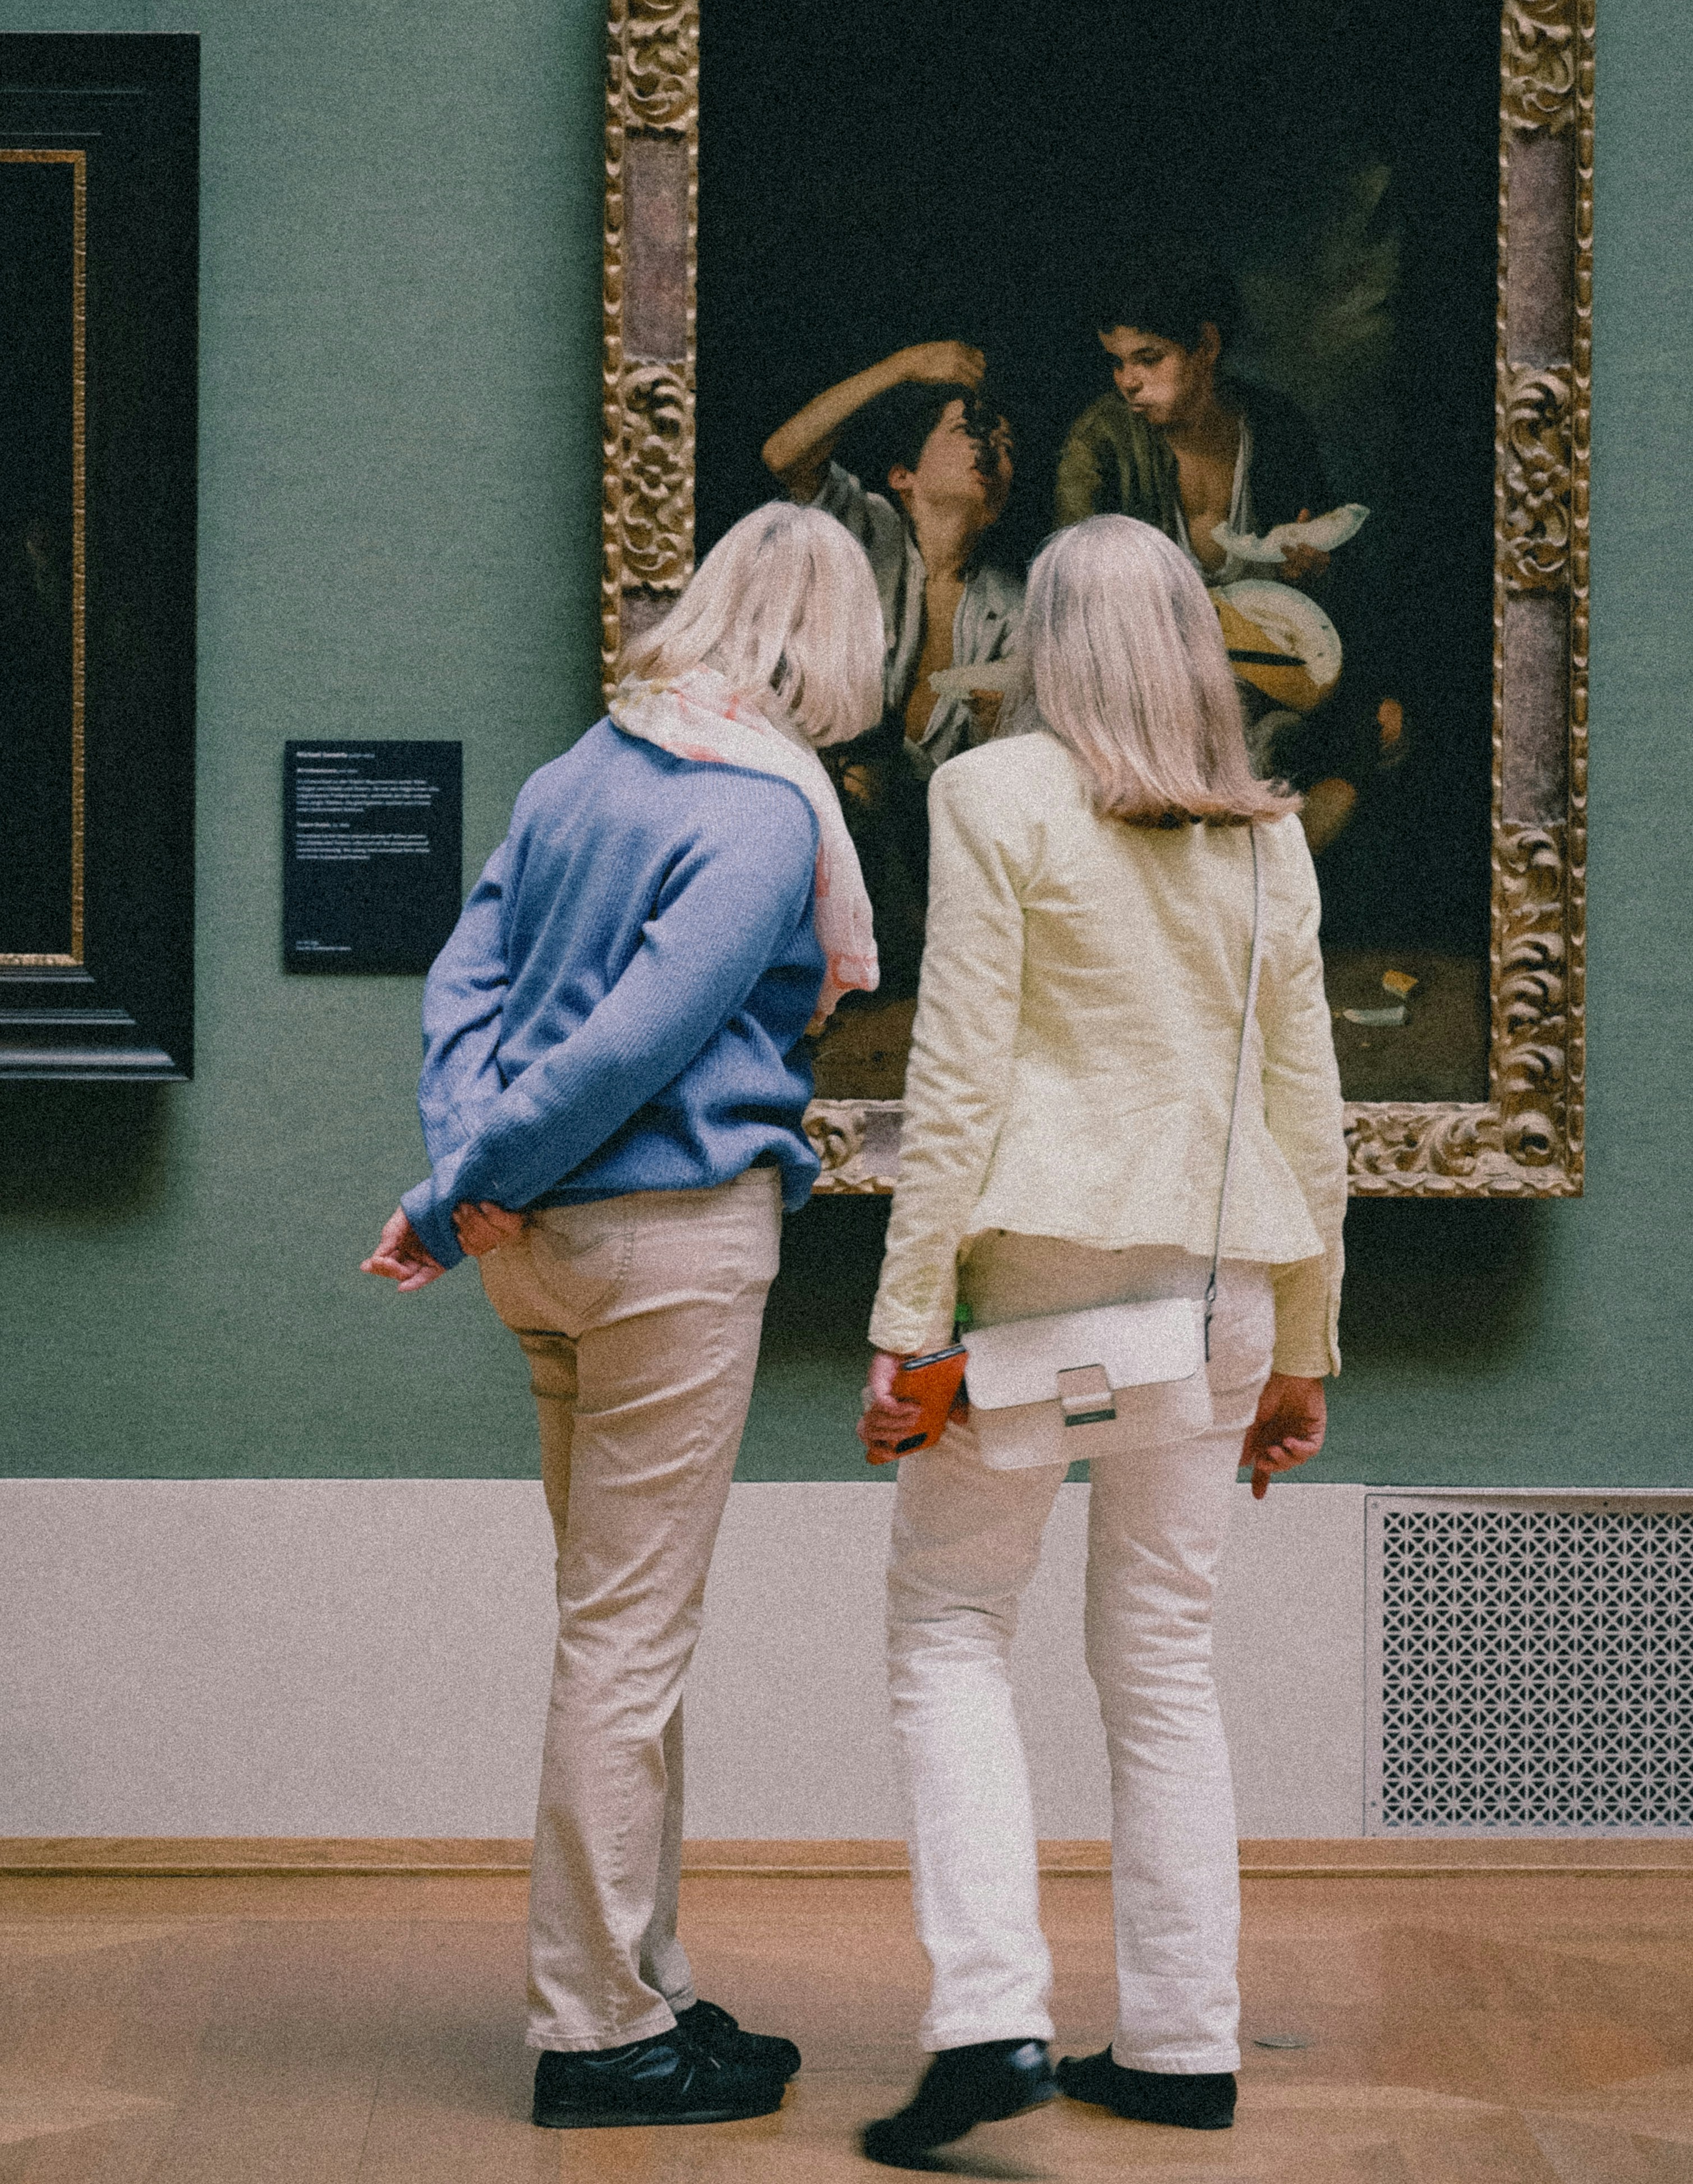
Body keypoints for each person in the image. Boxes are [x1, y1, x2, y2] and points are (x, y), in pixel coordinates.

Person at [361, 501, 886, 2132]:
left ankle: (643, 1981)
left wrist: (472, 1168)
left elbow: (470, 982)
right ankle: (599, 2029)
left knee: (616, 1623)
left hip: (546, 1244)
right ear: (832, 636)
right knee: (627, 1636)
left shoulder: (585, 766)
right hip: (664, 1242)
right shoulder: (755, 811)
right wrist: (465, 1189)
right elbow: (636, 1048)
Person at [855, 515, 1347, 2168]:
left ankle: (991, 2012)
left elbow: (957, 1085)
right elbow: (1309, 1112)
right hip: (1215, 1297)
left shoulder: (992, 796)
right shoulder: (1269, 838)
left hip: (1045, 1292)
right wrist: (1307, 1344)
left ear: (1049, 643)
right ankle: (1183, 2043)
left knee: (945, 1634)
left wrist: (903, 1324)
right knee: (1160, 1668)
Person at [1055, 240, 1396, 854]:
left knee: (1377, 726)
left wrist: (1312, 572)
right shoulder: (1099, 442)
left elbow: (1330, 598)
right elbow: (1070, 594)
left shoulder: (1276, 428)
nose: (1128, 382)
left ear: (1206, 346)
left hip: (1269, 672)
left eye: (1149, 359)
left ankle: (1283, 867)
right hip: (1149, 686)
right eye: (1117, 363)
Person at [763, 343, 1025, 997]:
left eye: (1007, 446)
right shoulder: (865, 533)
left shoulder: (1015, 607)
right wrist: (903, 368)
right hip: (809, 836)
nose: (990, 452)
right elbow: (785, 455)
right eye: (968, 432)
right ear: (903, 475)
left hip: (931, 877)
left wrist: (1004, 729)